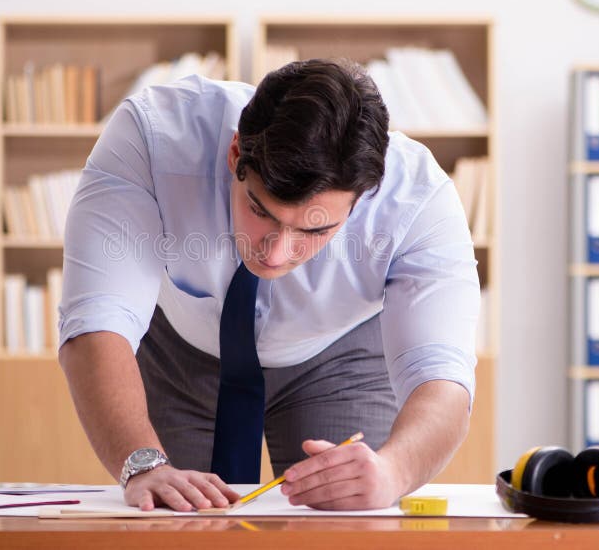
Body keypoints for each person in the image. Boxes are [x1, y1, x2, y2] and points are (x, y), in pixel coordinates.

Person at [58, 59, 480, 512]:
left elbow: (442, 377)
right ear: (235, 154)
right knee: (177, 522)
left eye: (314, 230)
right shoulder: (152, 139)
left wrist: (394, 472)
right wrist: (142, 465)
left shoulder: (419, 202)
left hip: (338, 355)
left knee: (350, 520)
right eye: (261, 210)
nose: (276, 254)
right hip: (180, 351)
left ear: (362, 199)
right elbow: (96, 321)